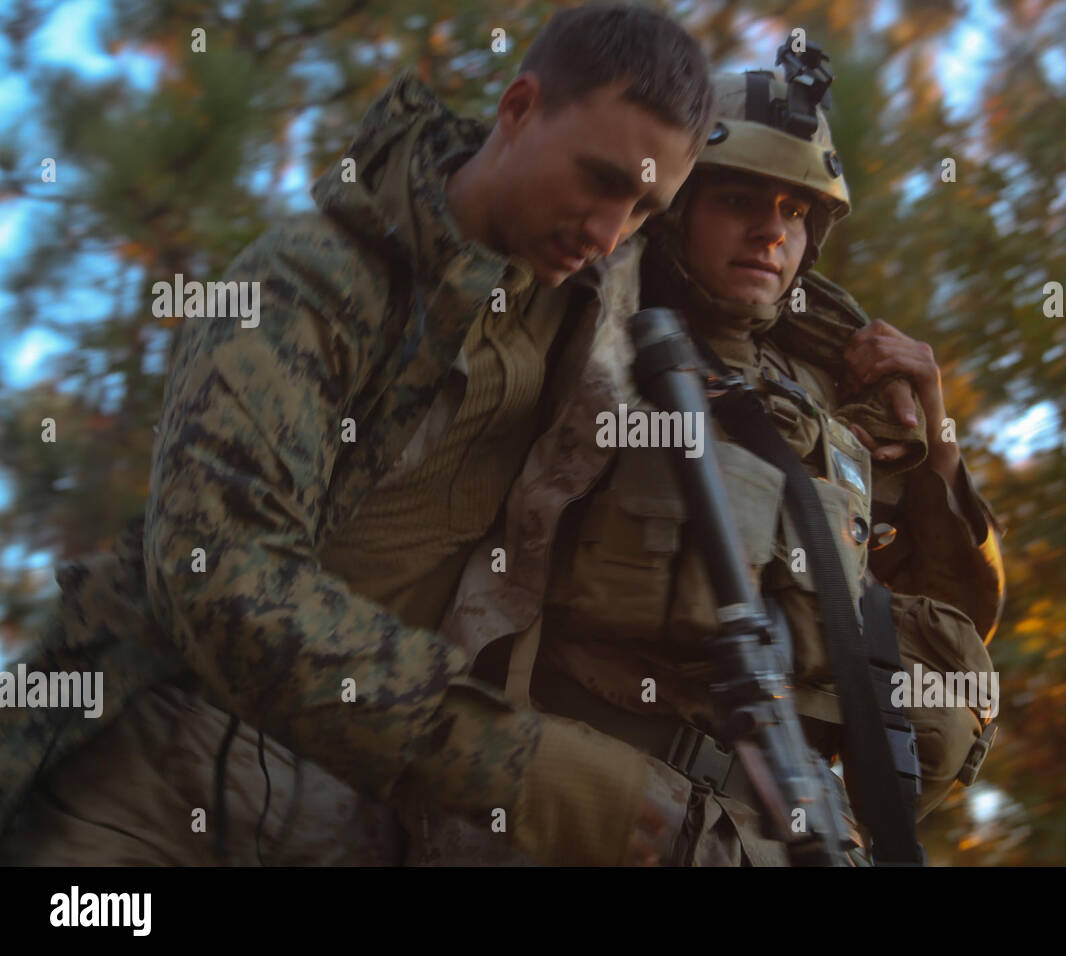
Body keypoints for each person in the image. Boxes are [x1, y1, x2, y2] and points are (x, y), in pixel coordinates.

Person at [0, 3, 714, 866]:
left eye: (644, 207)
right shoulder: (308, 279)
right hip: (157, 766)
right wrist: (508, 761)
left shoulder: (595, 323)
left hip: (359, 815)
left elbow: (763, 256)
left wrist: (900, 413)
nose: (610, 232)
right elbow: (218, 568)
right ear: (519, 109)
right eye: (599, 179)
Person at [433, 60, 1006, 865]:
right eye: (739, 200)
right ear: (676, 209)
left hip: (766, 831)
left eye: (795, 212)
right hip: (583, 808)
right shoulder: (591, 328)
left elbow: (949, 624)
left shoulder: (826, 401)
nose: (771, 232)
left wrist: (937, 435)